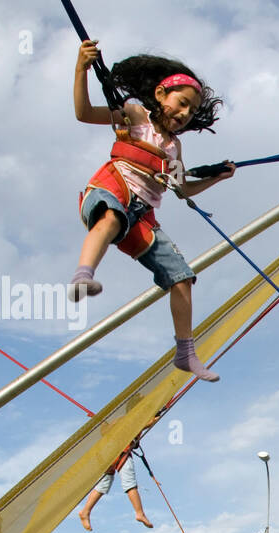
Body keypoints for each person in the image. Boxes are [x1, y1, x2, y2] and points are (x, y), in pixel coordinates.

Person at [70, 40, 233, 382]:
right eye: (181, 103)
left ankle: (185, 352)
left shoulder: (174, 149)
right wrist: (81, 69)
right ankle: (84, 274)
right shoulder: (134, 115)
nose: (184, 113)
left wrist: (218, 176)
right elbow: (84, 113)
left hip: (142, 215)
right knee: (110, 219)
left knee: (183, 277)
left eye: (190, 110)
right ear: (161, 94)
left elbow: (183, 190)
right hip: (113, 190)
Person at [78, 444, 153, 531]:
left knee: (104, 483)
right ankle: (140, 513)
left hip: (110, 451)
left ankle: (85, 511)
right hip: (119, 450)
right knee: (129, 482)